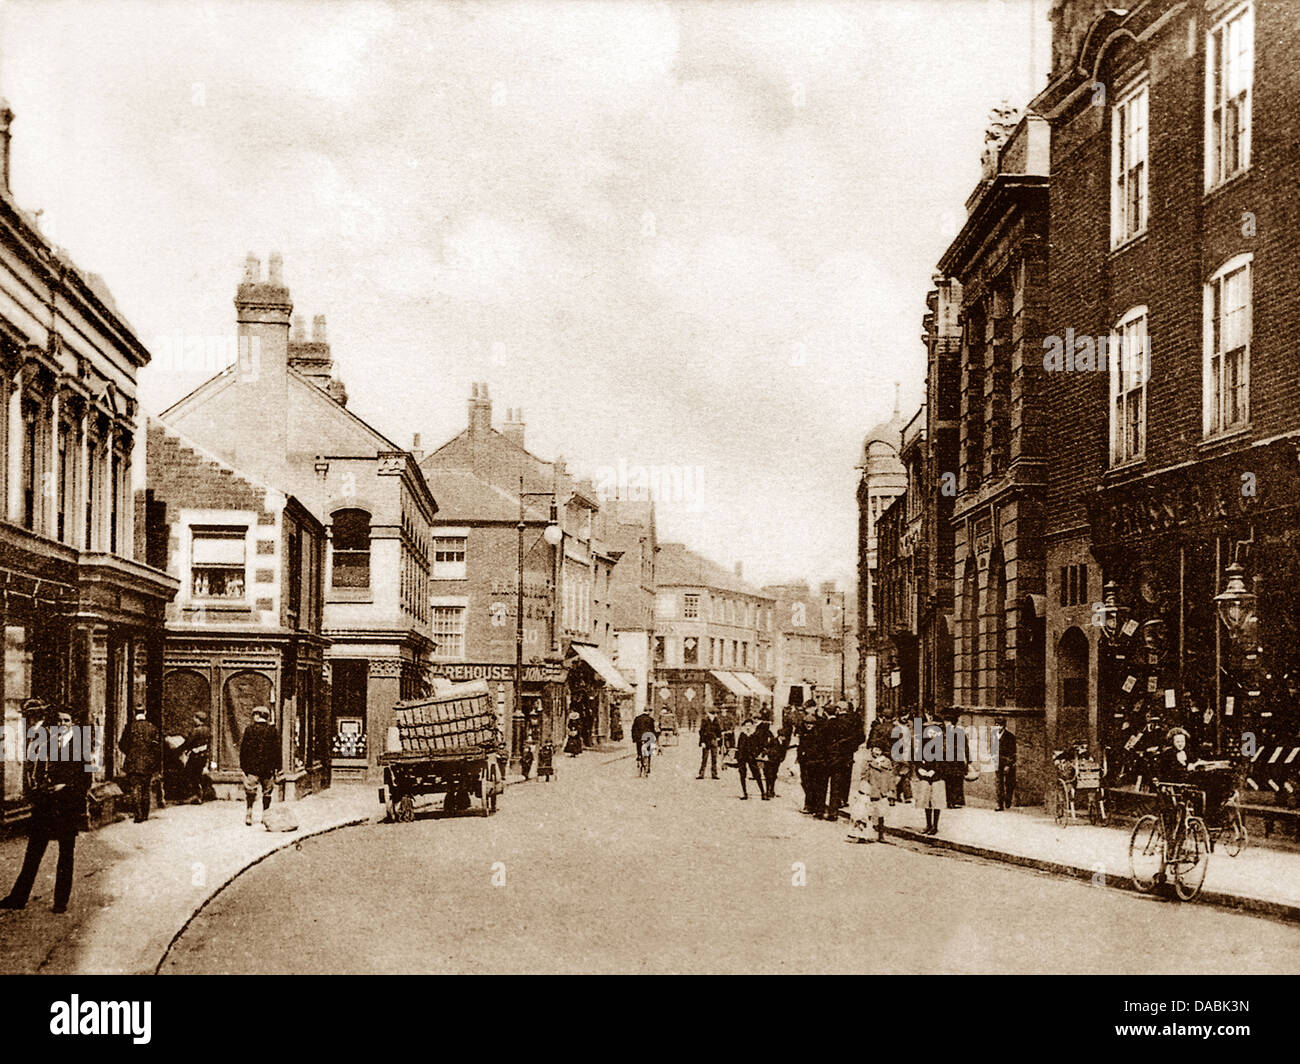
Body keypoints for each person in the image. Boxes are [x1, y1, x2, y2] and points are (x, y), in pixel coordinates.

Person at [1, 703, 90, 913]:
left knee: (66, 856)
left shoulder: (82, 744)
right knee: (33, 853)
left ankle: (60, 902)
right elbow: (37, 769)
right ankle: (18, 897)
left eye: (66, 721)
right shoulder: (48, 742)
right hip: (46, 807)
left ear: (73, 723)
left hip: (68, 807)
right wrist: (41, 788)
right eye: (59, 720)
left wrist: (65, 787)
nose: (62, 724)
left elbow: (87, 781)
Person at [240, 706, 281, 826]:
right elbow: (277, 750)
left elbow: (244, 750)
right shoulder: (272, 731)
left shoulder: (249, 730)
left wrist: (244, 767)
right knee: (267, 793)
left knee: (251, 792)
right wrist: (277, 767)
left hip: (252, 768)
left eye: (254, 715)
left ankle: (249, 813)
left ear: (257, 716)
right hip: (268, 768)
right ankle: (265, 815)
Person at [118, 708, 161, 824]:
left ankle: (138, 815)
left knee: (135, 788)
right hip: (147, 764)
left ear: (134, 713)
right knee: (146, 788)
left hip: (133, 763)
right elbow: (156, 748)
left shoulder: (129, 727)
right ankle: (145, 814)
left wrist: (130, 753)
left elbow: (121, 744)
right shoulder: (152, 727)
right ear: (145, 713)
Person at [913, 720, 946, 836]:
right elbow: (916, 759)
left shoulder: (943, 745)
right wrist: (920, 769)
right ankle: (928, 824)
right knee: (926, 801)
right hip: (925, 776)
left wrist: (935, 770)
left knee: (936, 802)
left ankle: (935, 826)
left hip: (937, 777)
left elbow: (944, 762)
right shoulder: (922, 744)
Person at [182, 711, 213, 804]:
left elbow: (188, 743)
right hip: (203, 756)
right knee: (199, 775)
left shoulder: (196, 731)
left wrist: (178, 750)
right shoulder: (207, 730)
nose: (193, 720)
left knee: (191, 775)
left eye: (194, 718)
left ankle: (195, 795)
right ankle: (200, 796)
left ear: (197, 719)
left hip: (195, 756)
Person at [736, 718, 765, 800]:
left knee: (757, 774)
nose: (748, 727)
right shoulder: (742, 735)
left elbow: (760, 746)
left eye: (749, 725)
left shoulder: (755, 735)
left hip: (752, 757)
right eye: (746, 725)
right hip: (742, 758)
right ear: (744, 726)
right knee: (742, 775)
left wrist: (757, 754)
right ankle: (744, 793)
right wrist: (738, 757)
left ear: (752, 726)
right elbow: (739, 747)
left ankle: (763, 793)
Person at [993, 716, 1016, 810]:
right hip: (997, 762)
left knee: (1009, 783)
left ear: (1004, 726)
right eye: (997, 725)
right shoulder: (994, 735)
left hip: (1007, 762)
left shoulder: (1010, 736)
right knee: (999, 783)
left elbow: (1013, 752)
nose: (998, 727)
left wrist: (1008, 764)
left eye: (1000, 725)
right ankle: (999, 804)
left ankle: (1008, 799)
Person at [697, 708, 722, 779]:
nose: (715, 715)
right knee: (704, 758)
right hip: (706, 741)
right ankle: (701, 774)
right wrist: (702, 742)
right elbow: (701, 732)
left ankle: (714, 774)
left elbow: (719, 730)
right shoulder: (704, 721)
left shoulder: (716, 721)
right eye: (713, 714)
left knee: (714, 759)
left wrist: (718, 738)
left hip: (714, 741)